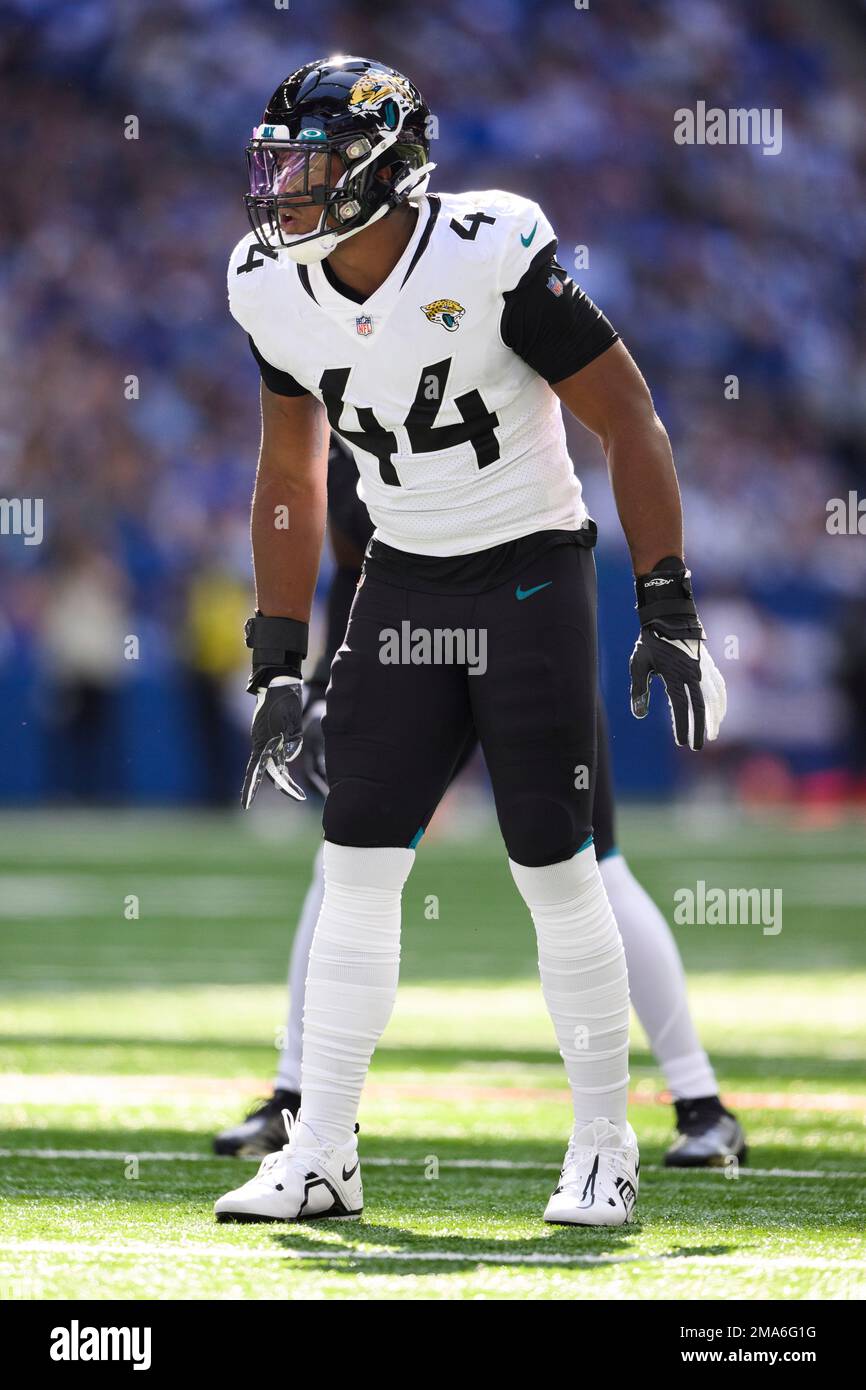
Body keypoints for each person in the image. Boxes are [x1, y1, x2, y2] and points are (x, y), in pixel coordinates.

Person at [214, 56, 727, 1227]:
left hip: (529, 574)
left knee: (556, 865)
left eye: (309, 165)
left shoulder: (488, 249)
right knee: (354, 862)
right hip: (400, 579)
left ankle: (604, 1142)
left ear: (384, 172)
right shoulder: (265, 283)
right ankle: (323, 1148)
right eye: (276, 162)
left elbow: (626, 417)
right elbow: (287, 470)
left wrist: (663, 597)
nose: (281, 187)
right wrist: (279, 654)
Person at [214, 440, 745, 1171]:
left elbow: (605, 436)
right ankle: (298, 1100)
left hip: (521, 623)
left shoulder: (467, 355)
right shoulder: (340, 401)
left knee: (588, 867)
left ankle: (699, 1100)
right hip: (408, 643)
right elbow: (346, 563)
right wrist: (320, 676)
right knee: (348, 868)